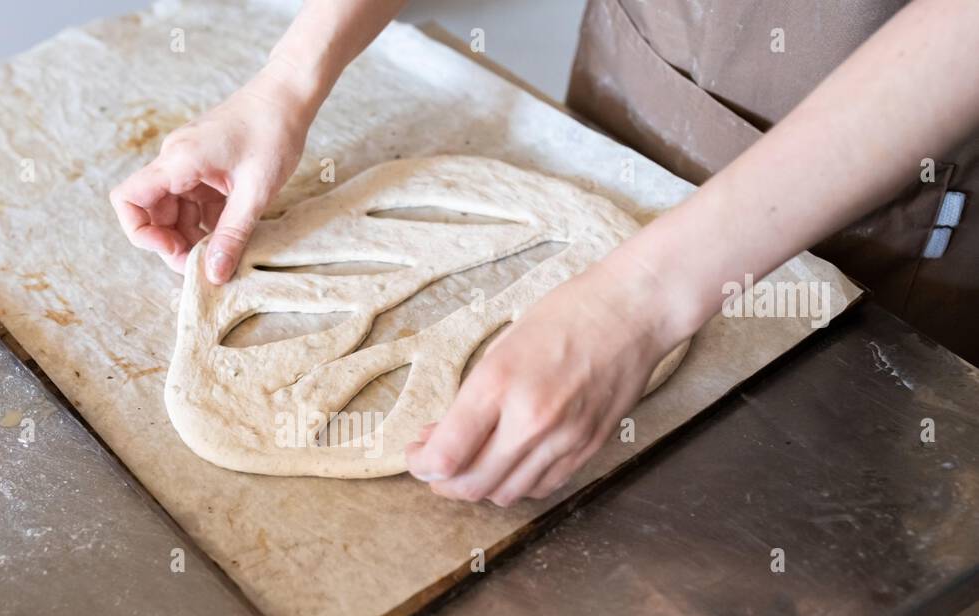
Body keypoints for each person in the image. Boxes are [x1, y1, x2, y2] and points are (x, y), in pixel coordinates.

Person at [111, 0, 979, 509]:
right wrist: (292, 77)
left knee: (780, 528)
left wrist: (641, 295)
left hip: (886, 176)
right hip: (652, 68)